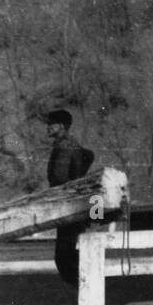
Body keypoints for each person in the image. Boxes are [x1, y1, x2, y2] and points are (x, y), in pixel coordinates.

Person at [45, 109, 96, 286]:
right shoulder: (70, 145)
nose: (48, 127)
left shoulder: (64, 147)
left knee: (64, 258)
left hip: (68, 208)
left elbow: (60, 179)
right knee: (69, 257)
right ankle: (85, 291)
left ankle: (86, 291)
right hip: (74, 207)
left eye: (51, 124)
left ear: (61, 127)